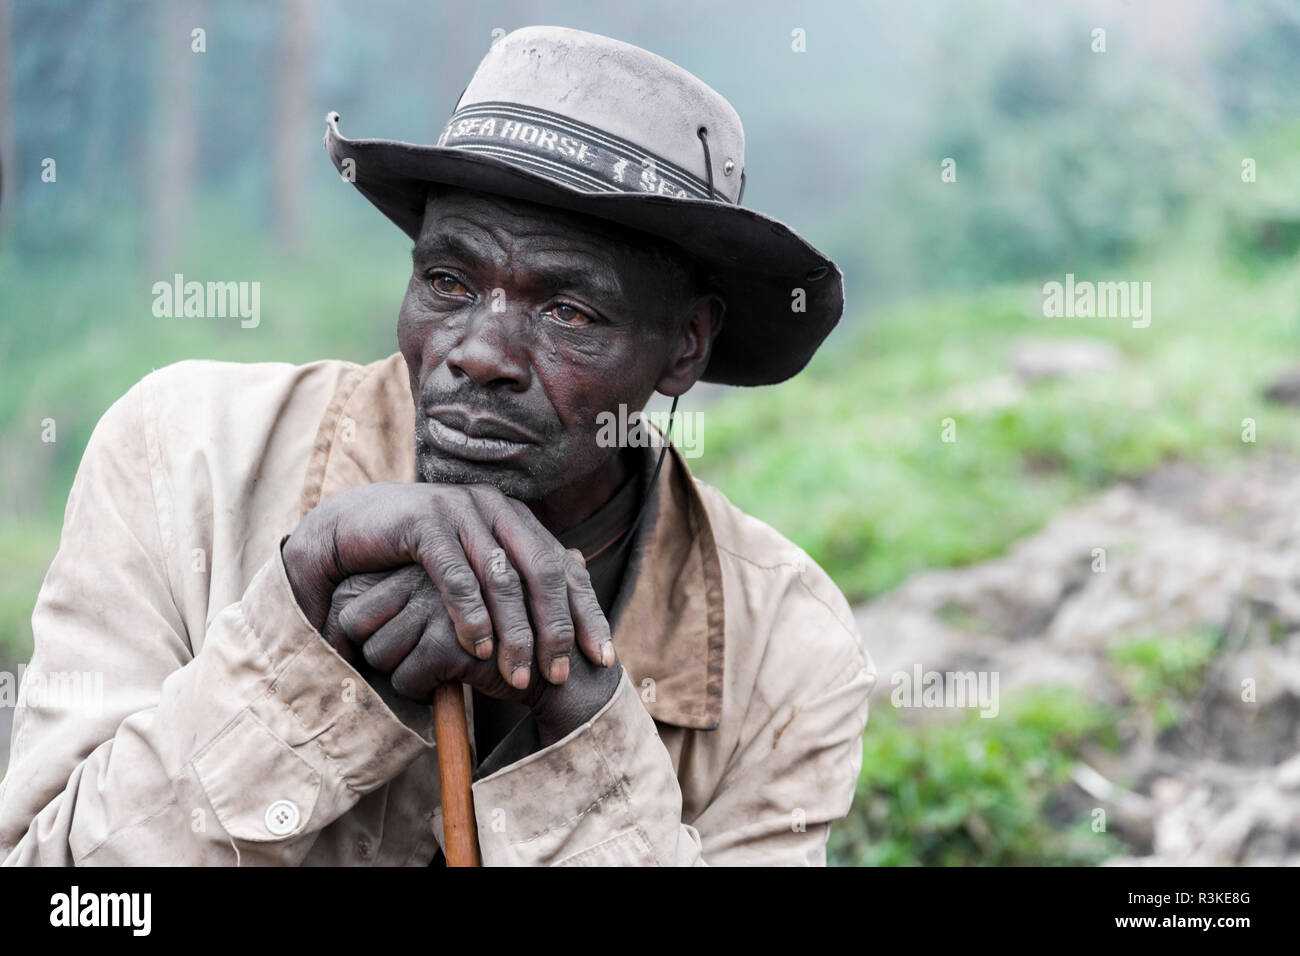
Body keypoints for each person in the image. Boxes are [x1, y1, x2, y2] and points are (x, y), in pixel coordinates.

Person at [0, 25, 875, 866]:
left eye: (567, 311)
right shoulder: (183, 457)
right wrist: (305, 621)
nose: (479, 353)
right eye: (448, 280)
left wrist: (578, 715)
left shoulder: (788, 647)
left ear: (684, 345)